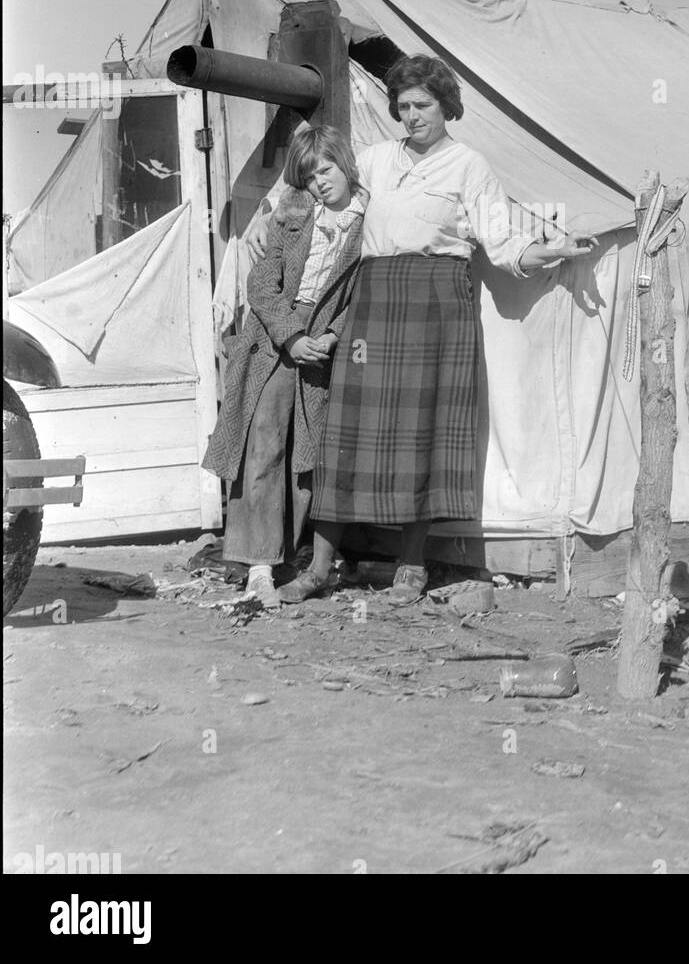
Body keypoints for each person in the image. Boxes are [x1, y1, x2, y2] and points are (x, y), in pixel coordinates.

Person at [277, 54, 597, 605]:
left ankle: (411, 566)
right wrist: (268, 220)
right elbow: (317, 185)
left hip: (437, 304)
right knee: (346, 434)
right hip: (376, 299)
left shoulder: (469, 167)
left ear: (446, 106)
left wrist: (554, 250)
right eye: (403, 107)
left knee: (419, 436)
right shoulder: (376, 160)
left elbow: (502, 244)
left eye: (422, 105)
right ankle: (320, 566)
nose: (412, 116)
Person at [202, 125, 365, 608]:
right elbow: (261, 284)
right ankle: (257, 565)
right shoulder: (293, 211)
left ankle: (287, 554)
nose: (320, 182)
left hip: (326, 342)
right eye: (311, 175)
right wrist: (292, 336)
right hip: (278, 338)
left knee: (308, 455)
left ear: (346, 165)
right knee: (264, 442)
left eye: (327, 169)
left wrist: (333, 335)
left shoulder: (369, 220)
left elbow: (364, 291)